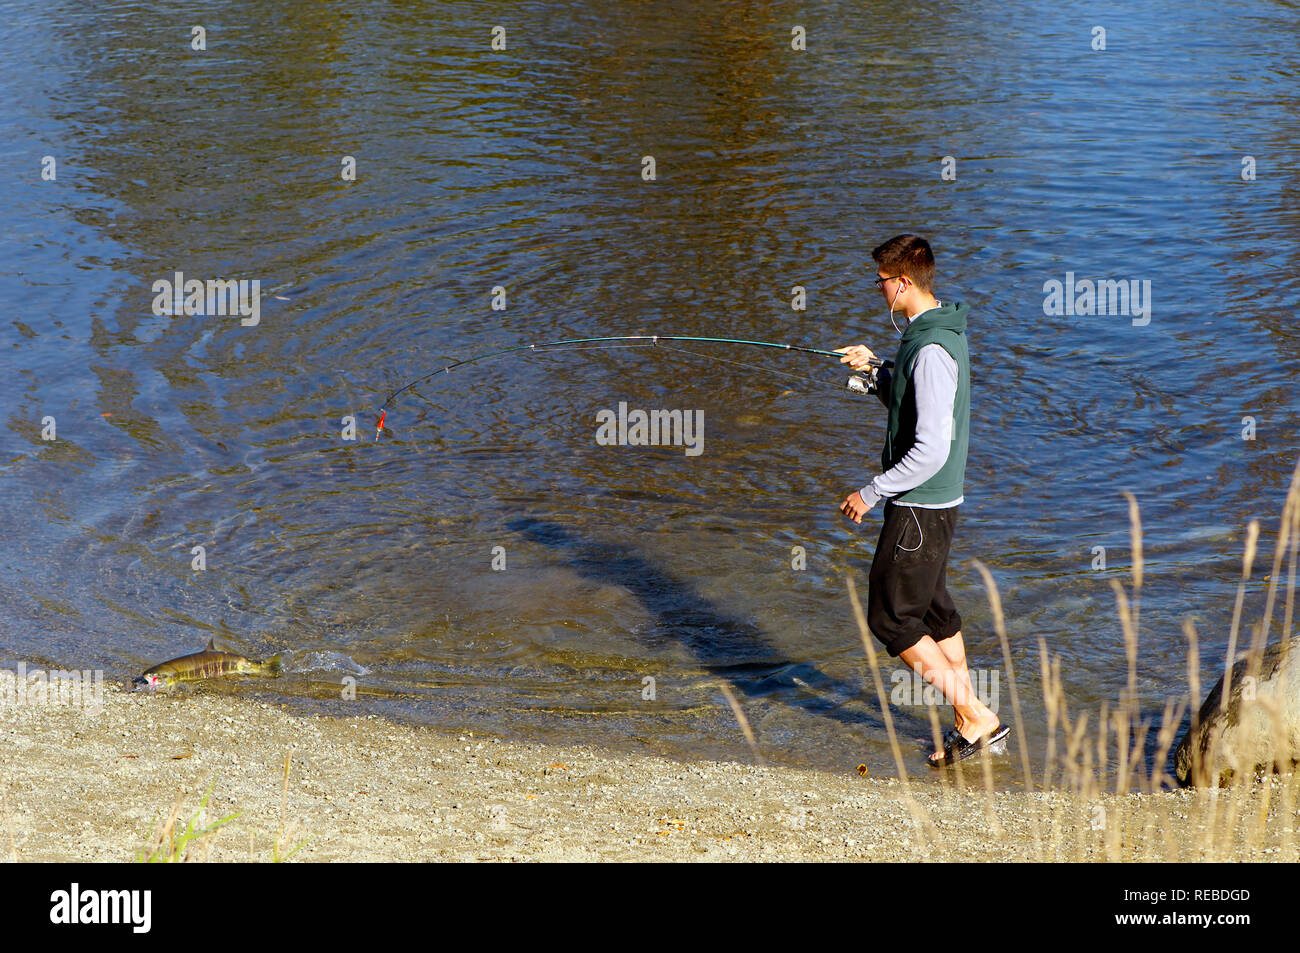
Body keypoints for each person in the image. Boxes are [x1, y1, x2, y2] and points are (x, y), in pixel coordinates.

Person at [835, 234, 1008, 766]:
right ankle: (970, 722)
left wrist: (870, 491)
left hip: (919, 506)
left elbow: (931, 447)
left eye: (882, 281)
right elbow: (913, 404)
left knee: (890, 617)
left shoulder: (931, 348)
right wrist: (875, 373)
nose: (879, 290)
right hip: (935, 505)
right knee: (935, 612)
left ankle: (977, 716)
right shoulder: (934, 333)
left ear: (903, 282)